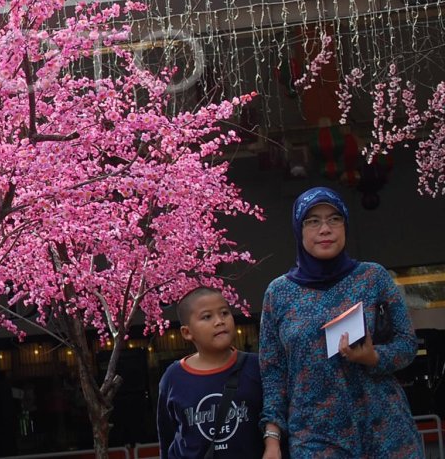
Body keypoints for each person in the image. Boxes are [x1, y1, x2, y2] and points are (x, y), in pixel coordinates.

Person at [259, 186, 421, 458]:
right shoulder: (278, 293)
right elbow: (273, 374)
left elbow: (407, 345)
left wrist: (373, 357)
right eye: (313, 221)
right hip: (315, 437)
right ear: (299, 230)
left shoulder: (373, 277)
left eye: (334, 219)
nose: (325, 229)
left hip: (384, 429)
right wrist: (273, 439)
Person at [157, 286, 264, 458]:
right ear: (186, 332)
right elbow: (166, 435)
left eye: (224, 313)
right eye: (207, 317)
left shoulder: (256, 366)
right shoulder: (173, 377)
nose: (219, 321)